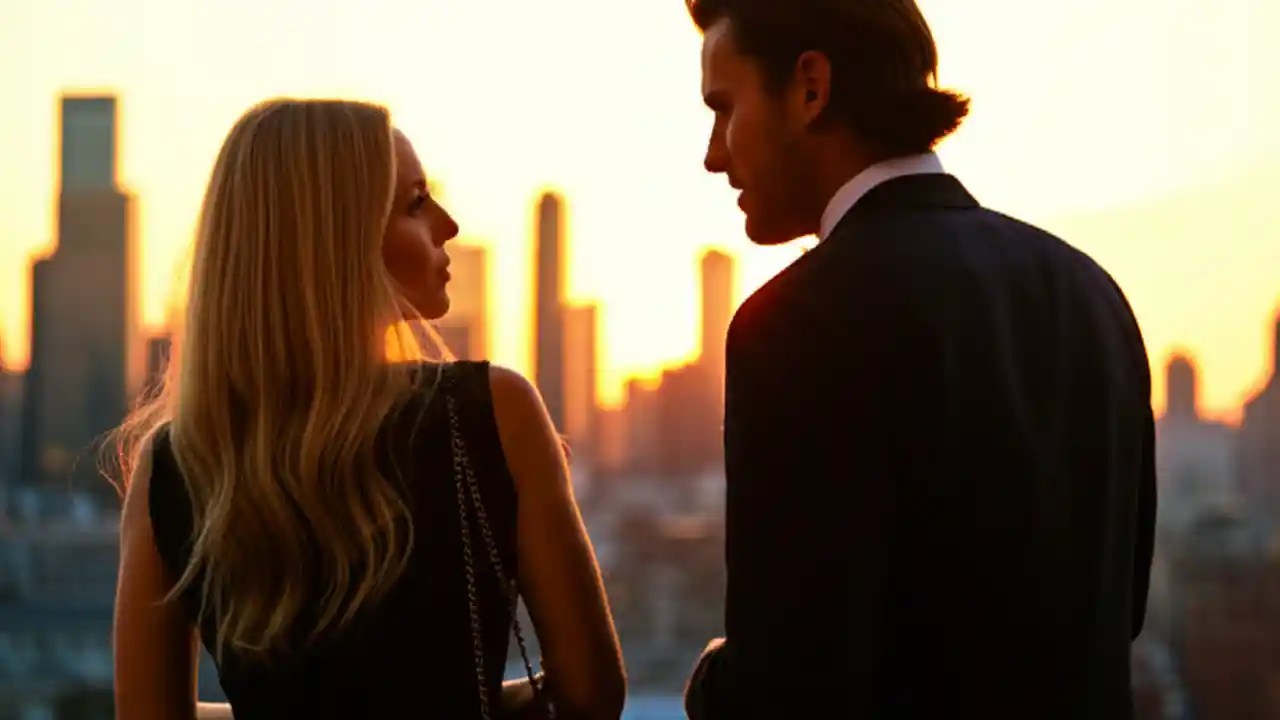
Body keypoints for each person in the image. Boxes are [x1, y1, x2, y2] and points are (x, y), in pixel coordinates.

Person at [681, 1, 1157, 717]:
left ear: (810, 86)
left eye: (724, 107)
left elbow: (791, 681)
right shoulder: (1091, 294)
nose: (714, 155)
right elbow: (1119, 616)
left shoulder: (797, 323)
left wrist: (712, 682)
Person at [111, 99, 626, 720]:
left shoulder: (174, 463)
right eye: (415, 203)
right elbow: (589, 693)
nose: (449, 224)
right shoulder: (491, 410)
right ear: (336, 240)